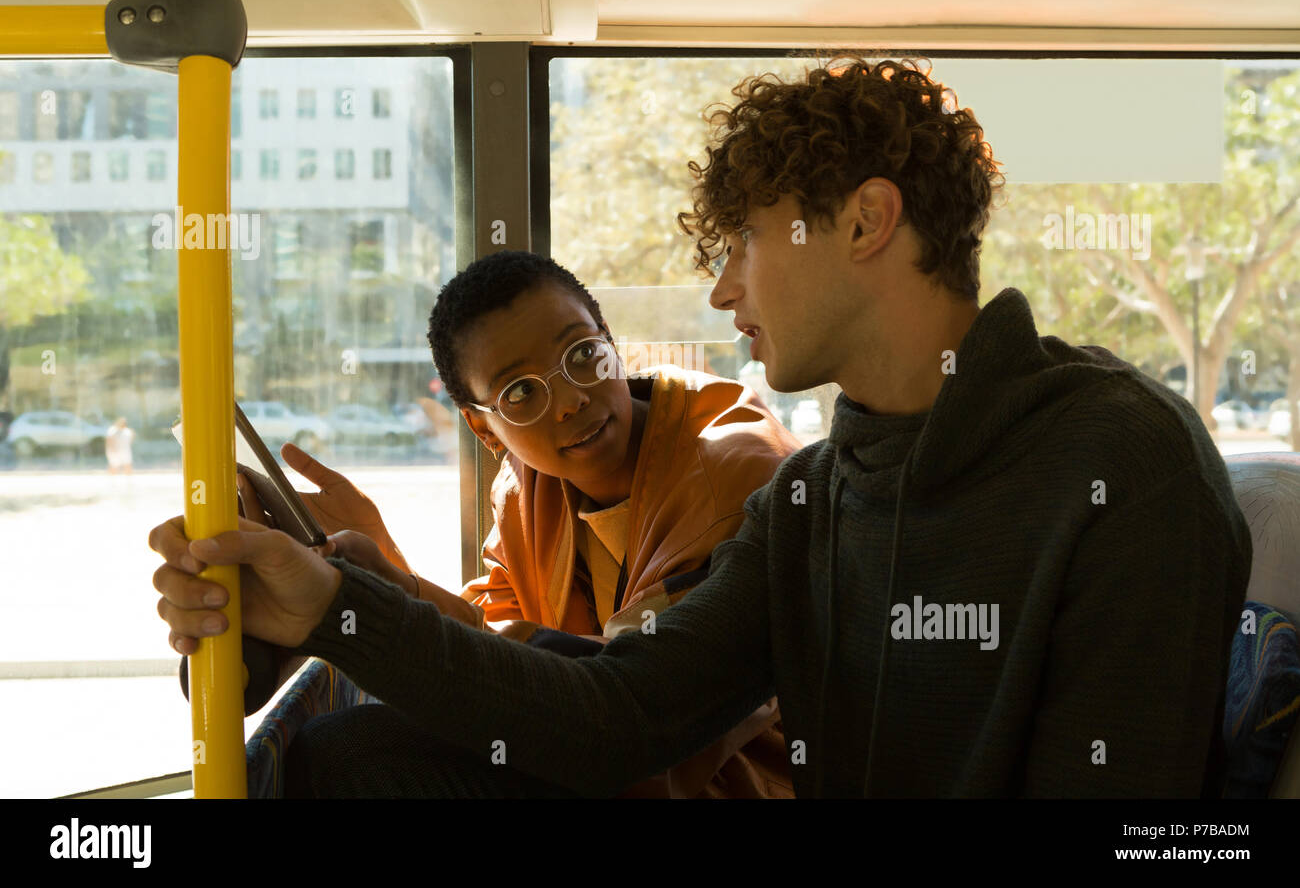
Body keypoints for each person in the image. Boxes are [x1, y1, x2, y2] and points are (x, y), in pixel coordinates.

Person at [153, 55, 1252, 797]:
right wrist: (336, 605)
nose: (724, 294)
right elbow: (618, 710)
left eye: (743, 244)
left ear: (864, 222)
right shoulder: (816, 497)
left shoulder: (1118, 461)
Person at [229, 250, 802, 797]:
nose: (570, 401)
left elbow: (618, 714)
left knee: (351, 751)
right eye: (522, 391)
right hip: (591, 760)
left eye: (582, 354)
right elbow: (498, 658)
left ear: (614, 346)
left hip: (711, 779)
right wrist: (380, 566)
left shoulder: (735, 475)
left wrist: (381, 593)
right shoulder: (527, 485)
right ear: (484, 431)